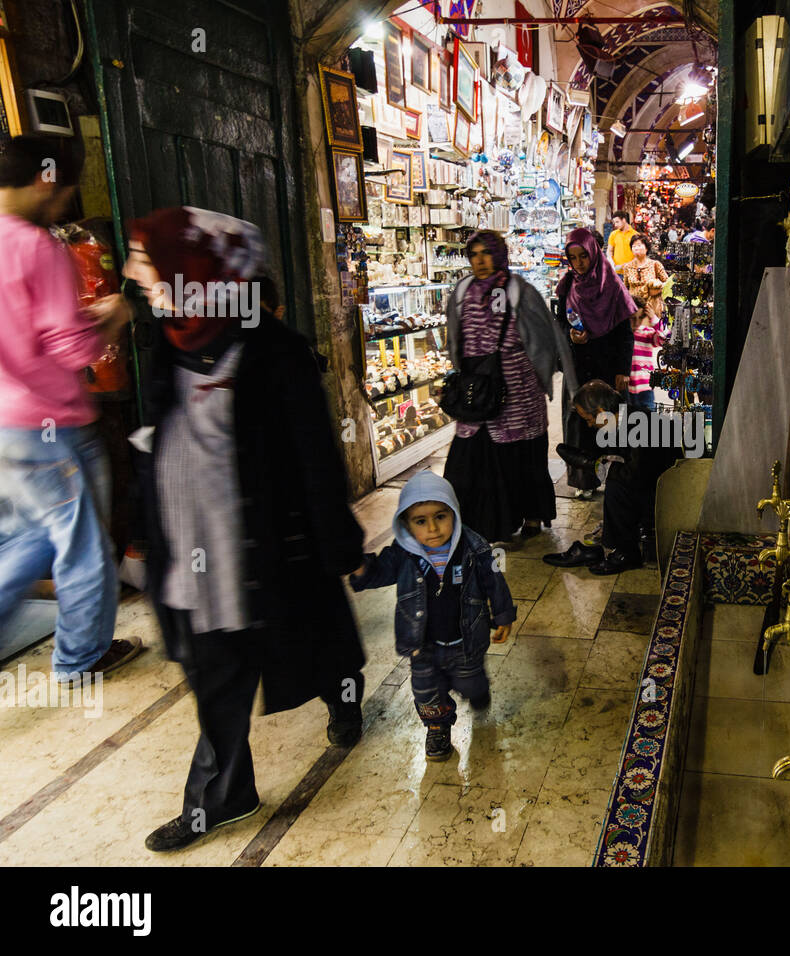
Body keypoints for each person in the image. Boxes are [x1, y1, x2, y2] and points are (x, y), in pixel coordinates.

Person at [124, 207, 367, 852]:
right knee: (216, 676)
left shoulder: (278, 355)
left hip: (269, 546)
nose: (135, 276)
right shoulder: (169, 344)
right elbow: (154, 447)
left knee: (318, 642)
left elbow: (315, 459)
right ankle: (224, 795)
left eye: (148, 263)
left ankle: (344, 699)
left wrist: (339, 543)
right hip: (192, 552)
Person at [0, 134, 141, 681]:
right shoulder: (37, 248)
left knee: (32, 538)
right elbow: (73, 350)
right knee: (82, 549)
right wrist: (112, 314)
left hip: (8, 426)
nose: (65, 203)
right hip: (52, 425)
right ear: (46, 179)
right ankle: (81, 658)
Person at [349, 470, 514, 761]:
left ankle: (477, 691)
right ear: (406, 525)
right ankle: (437, 727)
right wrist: (360, 568)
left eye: (441, 516)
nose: (433, 529)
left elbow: (494, 582)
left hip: (466, 641)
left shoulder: (474, 548)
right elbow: (379, 571)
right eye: (420, 521)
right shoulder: (404, 554)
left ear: (454, 513)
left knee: (470, 681)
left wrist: (503, 615)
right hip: (422, 646)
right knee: (426, 693)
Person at [442, 230, 575, 543]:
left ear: (499, 255)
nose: (480, 261)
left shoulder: (519, 291)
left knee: (521, 454)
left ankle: (531, 513)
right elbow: (455, 336)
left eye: (486, 253)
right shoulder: (463, 291)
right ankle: (481, 522)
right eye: (474, 254)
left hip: (518, 392)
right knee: (472, 454)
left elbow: (546, 338)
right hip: (478, 387)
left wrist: (558, 379)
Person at [543, 381, 681, 575]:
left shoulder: (640, 425)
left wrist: (593, 465)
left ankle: (627, 554)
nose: (590, 424)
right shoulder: (625, 416)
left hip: (666, 494)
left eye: (590, 419)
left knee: (618, 487)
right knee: (615, 479)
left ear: (600, 411)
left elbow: (634, 476)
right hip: (653, 485)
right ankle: (610, 545)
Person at [557, 227, 638, 499]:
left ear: (593, 253)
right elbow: (559, 325)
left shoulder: (612, 285)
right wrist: (570, 337)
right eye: (574, 258)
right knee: (578, 422)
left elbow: (625, 334)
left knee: (610, 422)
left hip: (607, 365)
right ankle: (583, 480)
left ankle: (617, 477)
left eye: (583, 256)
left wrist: (622, 370)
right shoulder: (567, 285)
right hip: (577, 366)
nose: (579, 263)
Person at [617, 234, 669, 320]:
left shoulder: (655, 264)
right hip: (634, 310)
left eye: (639, 245)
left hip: (652, 309)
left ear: (646, 248)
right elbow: (625, 288)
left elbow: (668, 284)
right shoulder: (627, 267)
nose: (636, 248)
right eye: (634, 246)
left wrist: (657, 288)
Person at [628, 297, 666, 415]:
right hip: (625, 390)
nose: (636, 322)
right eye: (632, 318)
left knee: (649, 427)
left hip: (645, 390)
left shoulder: (646, 333)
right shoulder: (621, 335)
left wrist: (653, 318)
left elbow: (666, 337)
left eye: (640, 318)